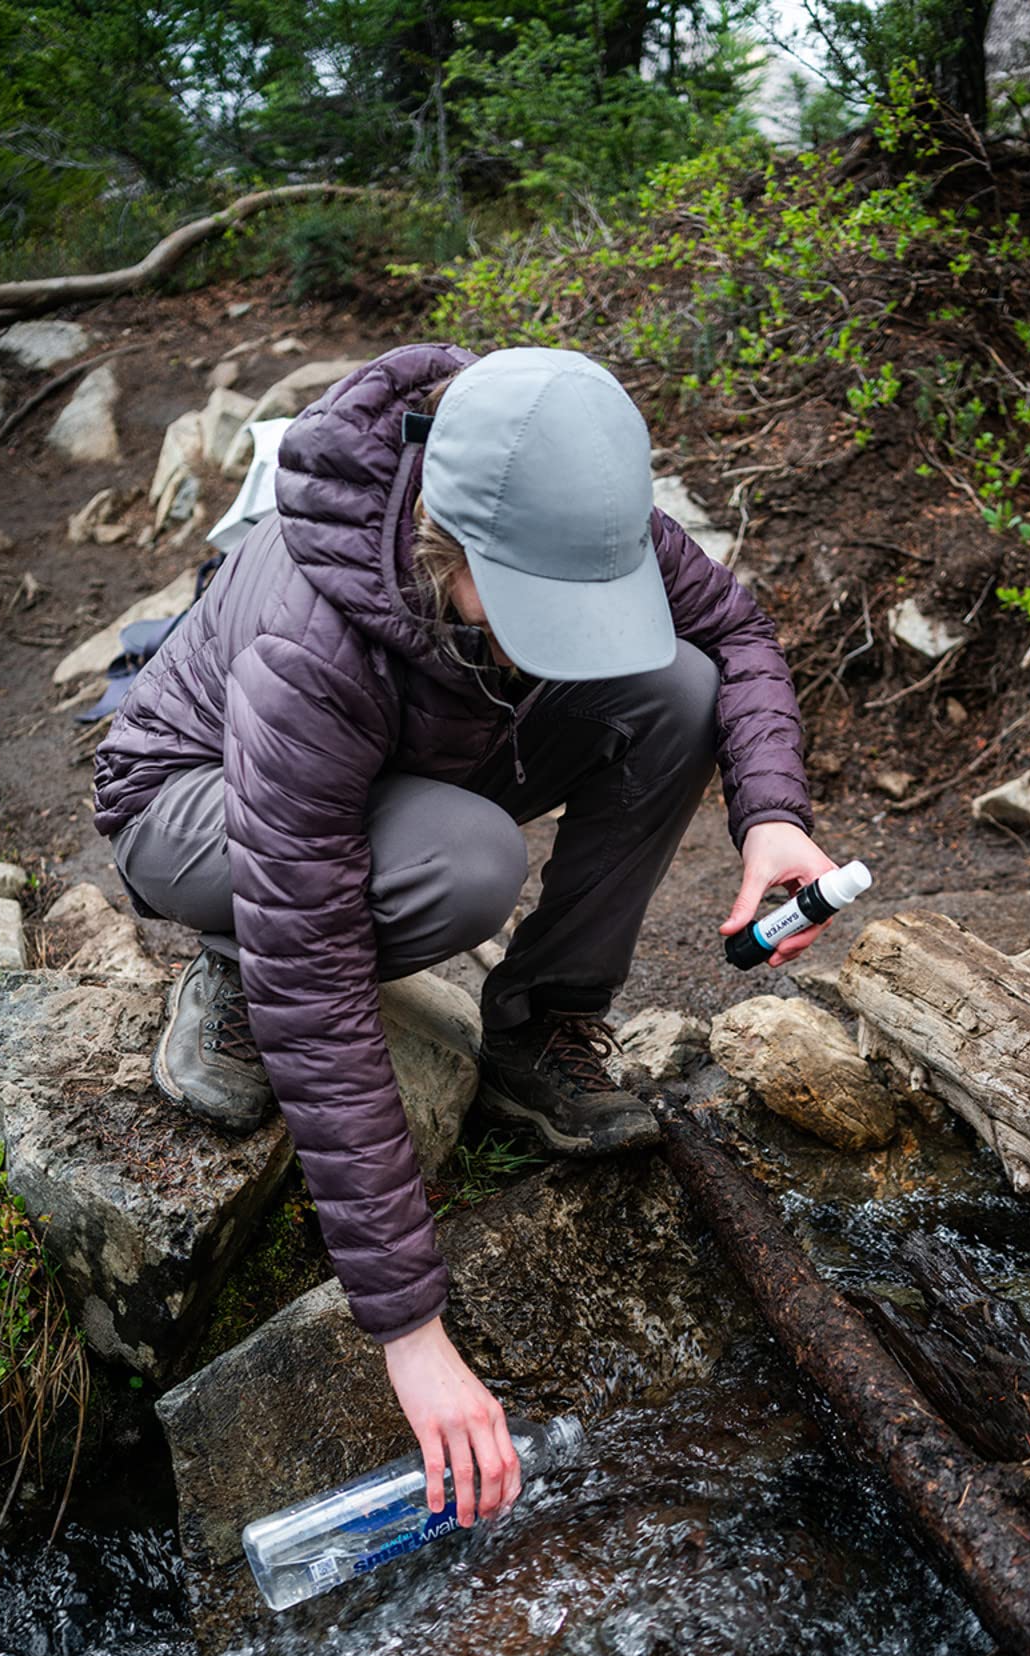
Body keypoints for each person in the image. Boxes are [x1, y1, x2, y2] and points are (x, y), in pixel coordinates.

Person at [93, 343, 832, 1531]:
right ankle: (225, 966)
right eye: (545, 602)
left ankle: (542, 1030)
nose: (576, 621)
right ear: (447, 540)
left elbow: (735, 639)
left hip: (427, 748)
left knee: (679, 687)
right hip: (194, 806)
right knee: (464, 863)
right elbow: (323, 978)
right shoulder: (311, 631)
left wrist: (776, 817)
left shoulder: (568, 494)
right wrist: (410, 1329)